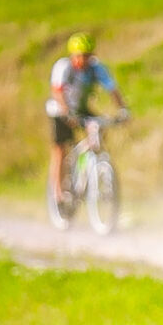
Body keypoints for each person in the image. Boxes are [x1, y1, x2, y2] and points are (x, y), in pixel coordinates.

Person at [46, 32, 128, 208]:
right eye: (80, 56)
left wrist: (122, 109)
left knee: (99, 129)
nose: (83, 60)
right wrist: (67, 112)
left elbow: (112, 89)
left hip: (81, 110)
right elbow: (57, 92)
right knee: (61, 149)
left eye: (87, 55)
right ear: (73, 55)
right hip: (60, 110)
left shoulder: (96, 68)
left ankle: (91, 167)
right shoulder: (64, 67)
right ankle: (59, 194)